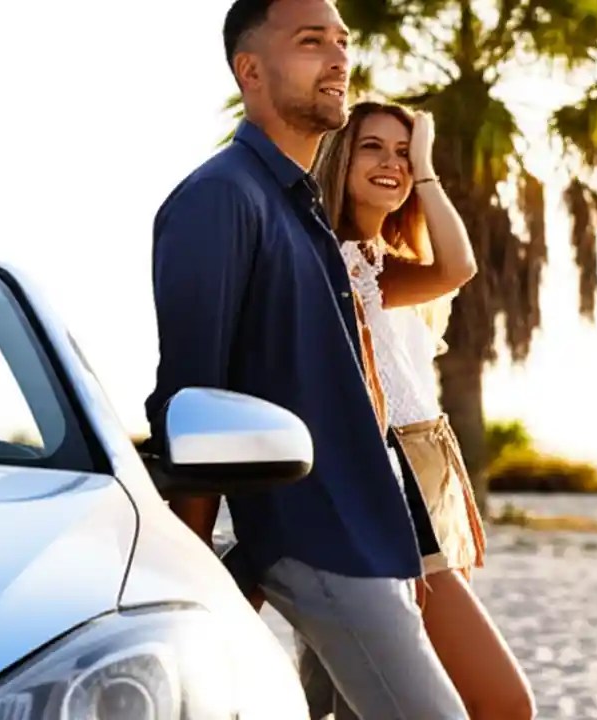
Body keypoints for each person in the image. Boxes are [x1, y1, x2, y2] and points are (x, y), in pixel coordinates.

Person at [143, 0, 469, 716]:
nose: (338, 58)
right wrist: (193, 567)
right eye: (311, 41)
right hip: (318, 541)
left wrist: (390, 544)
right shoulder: (220, 199)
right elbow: (193, 399)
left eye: (343, 43)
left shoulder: (302, 210)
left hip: (366, 536)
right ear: (250, 70)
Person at [298, 99, 536, 719]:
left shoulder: (380, 265)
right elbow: (460, 267)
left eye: (403, 152)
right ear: (341, 156)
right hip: (387, 478)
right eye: (373, 147)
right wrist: (426, 169)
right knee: (500, 704)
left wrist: (423, 167)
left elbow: (454, 267)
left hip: (432, 472)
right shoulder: (331, 262)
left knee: (388, 703)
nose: (393, 163)